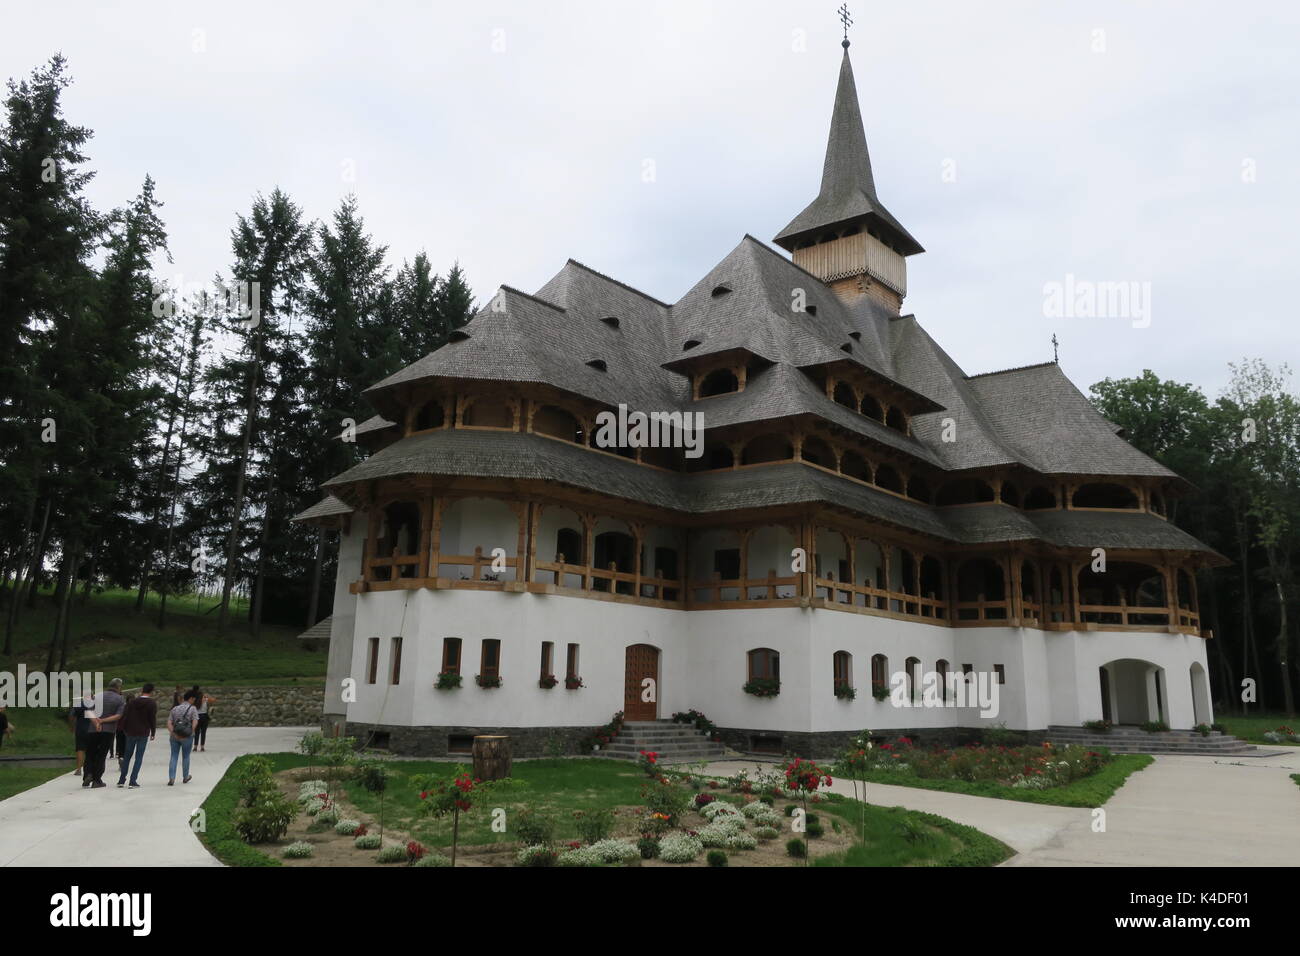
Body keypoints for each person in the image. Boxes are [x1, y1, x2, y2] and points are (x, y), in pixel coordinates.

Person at [85, 678, 126, 789]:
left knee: (90, 753)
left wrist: (96, 722)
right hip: (108, 730)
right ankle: (97, 780)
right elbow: (118, 716)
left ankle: (88, 774)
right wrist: (102, 721)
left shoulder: (97, 696)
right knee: (101, 755)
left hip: (93, 729)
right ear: (118, 687)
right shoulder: (120, 699)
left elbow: (89, 711)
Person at [116, 683, 157, 788]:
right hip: (143, 732)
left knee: (127, 756)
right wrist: (153, 732)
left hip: (130, 732)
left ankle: (121, 780)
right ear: (151, 691)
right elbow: (152, 719)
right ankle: (132, 781)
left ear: (142, 690)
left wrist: (124, 729)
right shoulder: (152, 703)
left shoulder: (132, 702)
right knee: (139, 757)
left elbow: (125, 716)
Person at [167, 690, 199, 786]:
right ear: (191, 698)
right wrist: (191, 731)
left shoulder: (175, 708)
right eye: (194, 699)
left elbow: (169, 722)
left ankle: (172, 778)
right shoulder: (193, 709)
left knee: (173, 756)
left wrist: (173, 733)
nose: (194, 701)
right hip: (187, 736)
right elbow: (195, 721)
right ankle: (185, 777)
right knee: (186, 756)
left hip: (174, 736)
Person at [68, 691, 94, 775]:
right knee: (91, 749)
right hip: (92, 730)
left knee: (80, 748)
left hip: (80, 729)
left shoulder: (78, 704)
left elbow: (71, 716)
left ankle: (79, 769)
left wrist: (72, 727)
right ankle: (91, 769)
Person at [193, 687, 217, 751]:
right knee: (203, 732)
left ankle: (195, 747)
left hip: (197, 717)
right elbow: (214, 700)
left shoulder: (195, 701)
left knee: (196, 732)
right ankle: (202, 747)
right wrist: (208, 695)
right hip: (204, 717)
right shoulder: (205, 699)